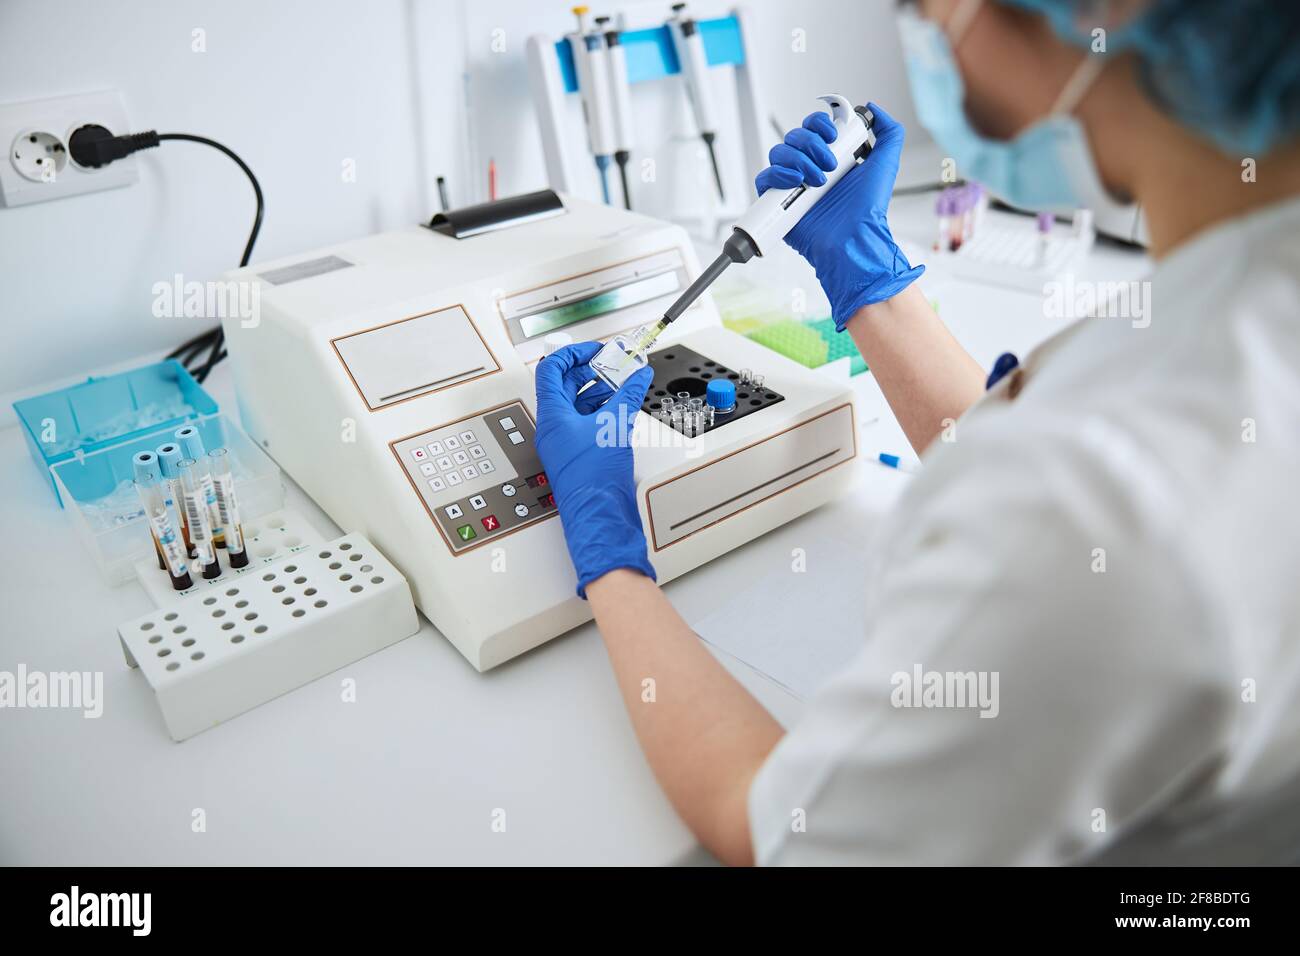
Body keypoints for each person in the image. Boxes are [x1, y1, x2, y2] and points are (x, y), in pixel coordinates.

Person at [533, 0, 1300, 865]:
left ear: (1104, 15)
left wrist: (609, 558)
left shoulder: (1100, 498)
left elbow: (779, 830)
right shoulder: (1242, 289)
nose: (927, 33)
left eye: (931, 6)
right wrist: (861, 263)